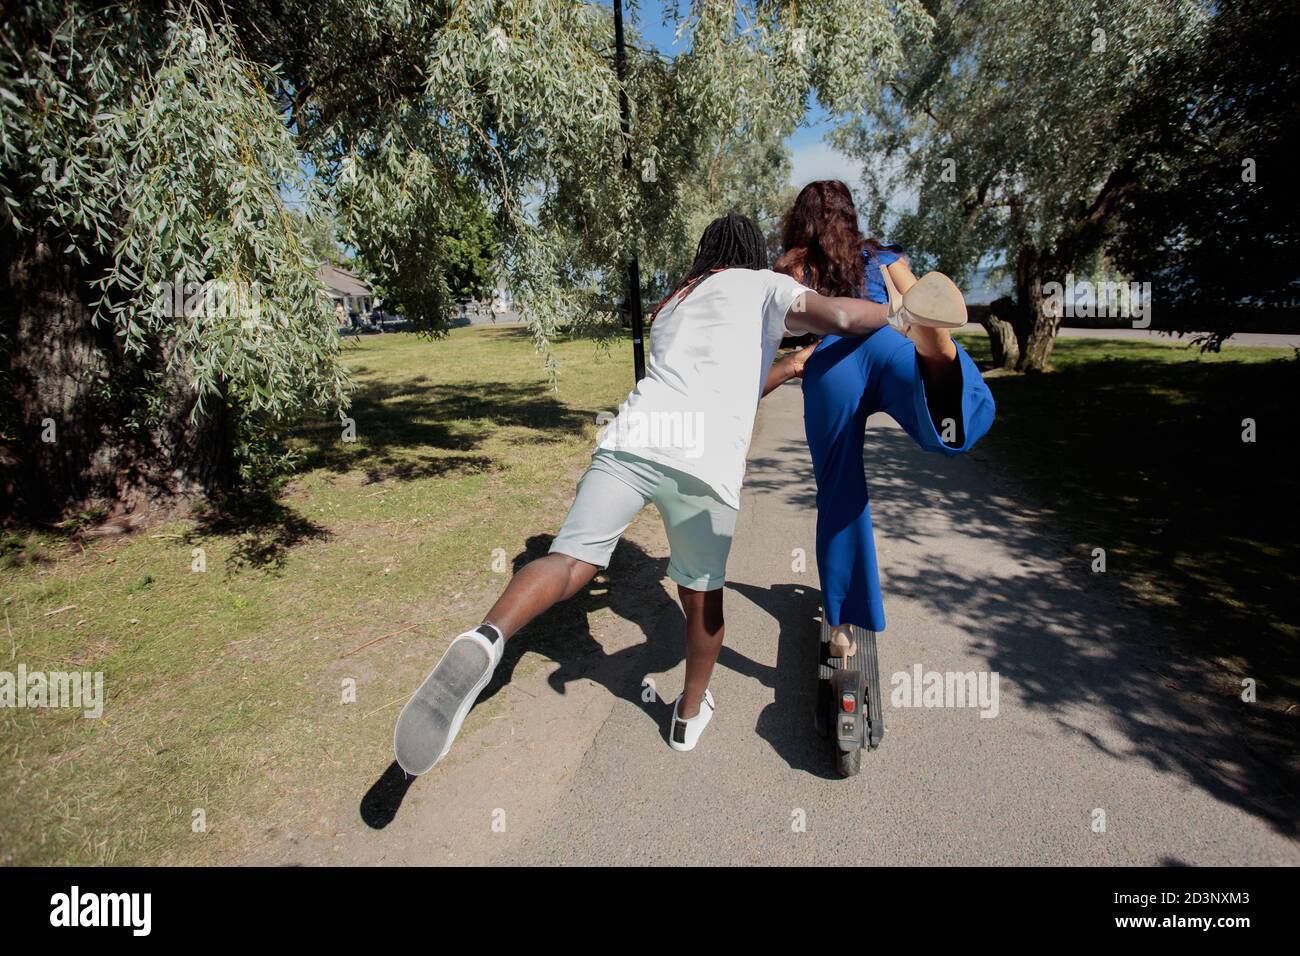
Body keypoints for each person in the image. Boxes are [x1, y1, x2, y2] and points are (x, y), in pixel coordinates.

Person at [394, 213, 901, 774]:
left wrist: (786, 365)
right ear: (752, 251)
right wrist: (902, 312)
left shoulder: (674, 302)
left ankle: (488, 637)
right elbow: (839, 315)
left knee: (569, 561)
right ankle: (686, 716)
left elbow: (733, 380)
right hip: (705, 464)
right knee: (700, 596)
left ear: (707, 250)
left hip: (637, 437)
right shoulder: (765, 285)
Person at [766, 180, 996, 656]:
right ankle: (938, 354)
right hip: (892, 340)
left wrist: (797, 353)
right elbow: (912, 295)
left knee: (840, 486)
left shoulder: (794, 265)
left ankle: (843, 626)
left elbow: (788, 321)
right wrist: (912, 319)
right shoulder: (882, 255)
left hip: (832, 363)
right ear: (851, 216)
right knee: (929, 390)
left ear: (800, 218)